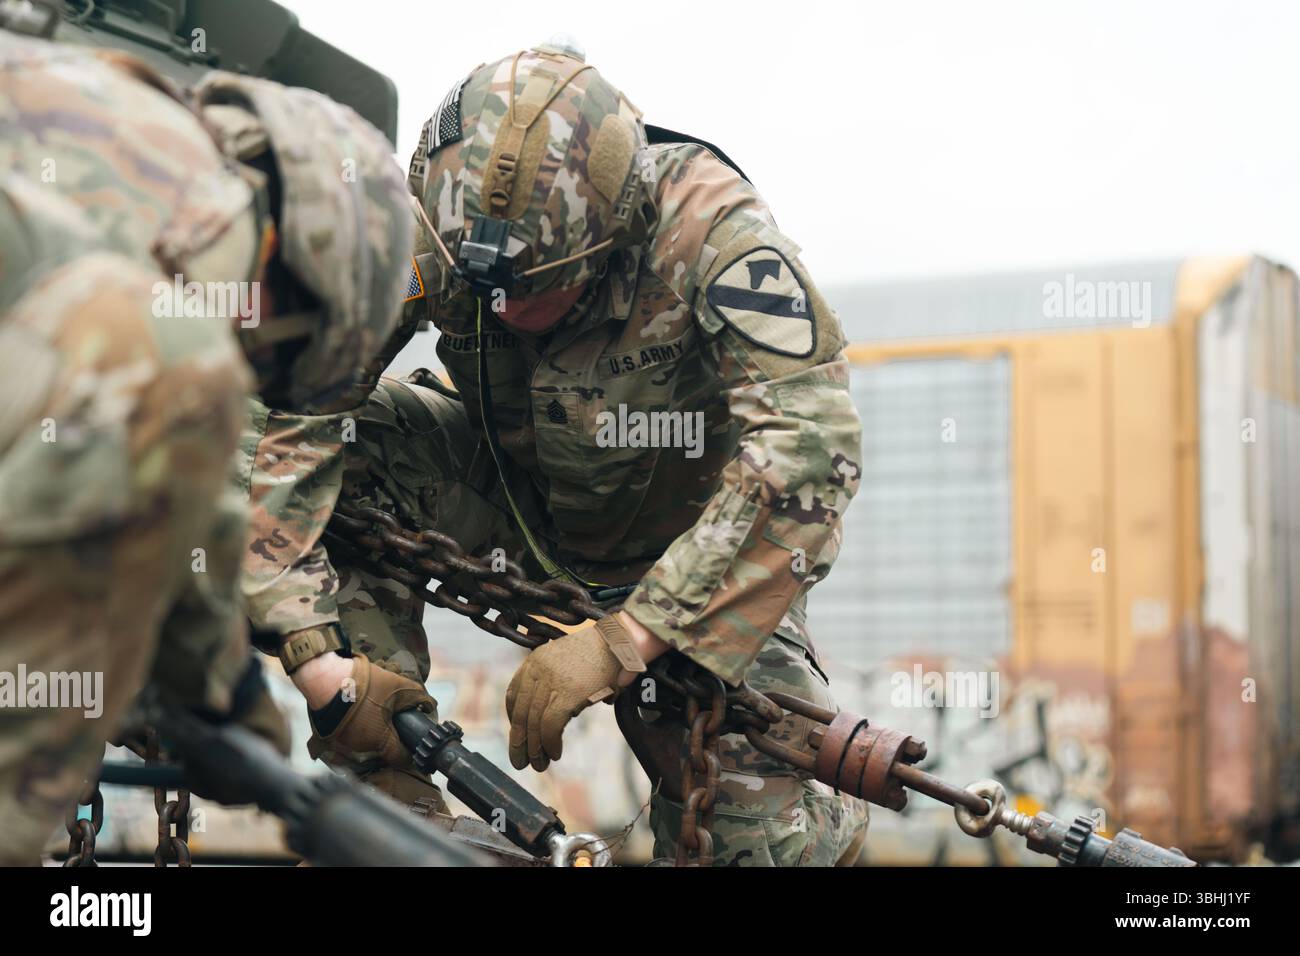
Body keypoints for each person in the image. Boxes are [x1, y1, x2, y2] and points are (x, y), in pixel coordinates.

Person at [243, 41, 869, 865]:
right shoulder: (427, 223)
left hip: (685, 566)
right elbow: (287, 416)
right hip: (506, 510)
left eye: (540, 287)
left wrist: (630, 641)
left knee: (764, 847)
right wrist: (323, 672)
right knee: (339, 446)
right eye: (486, 286)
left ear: (616, 231)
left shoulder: (713, 232)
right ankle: (389, 800)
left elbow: (811, 451)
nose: (505, 306)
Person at [0, 22, 412, 864]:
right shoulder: (189, 229)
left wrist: (220, 695)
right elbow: (168, 415)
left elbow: (169, 497)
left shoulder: (131, 144)